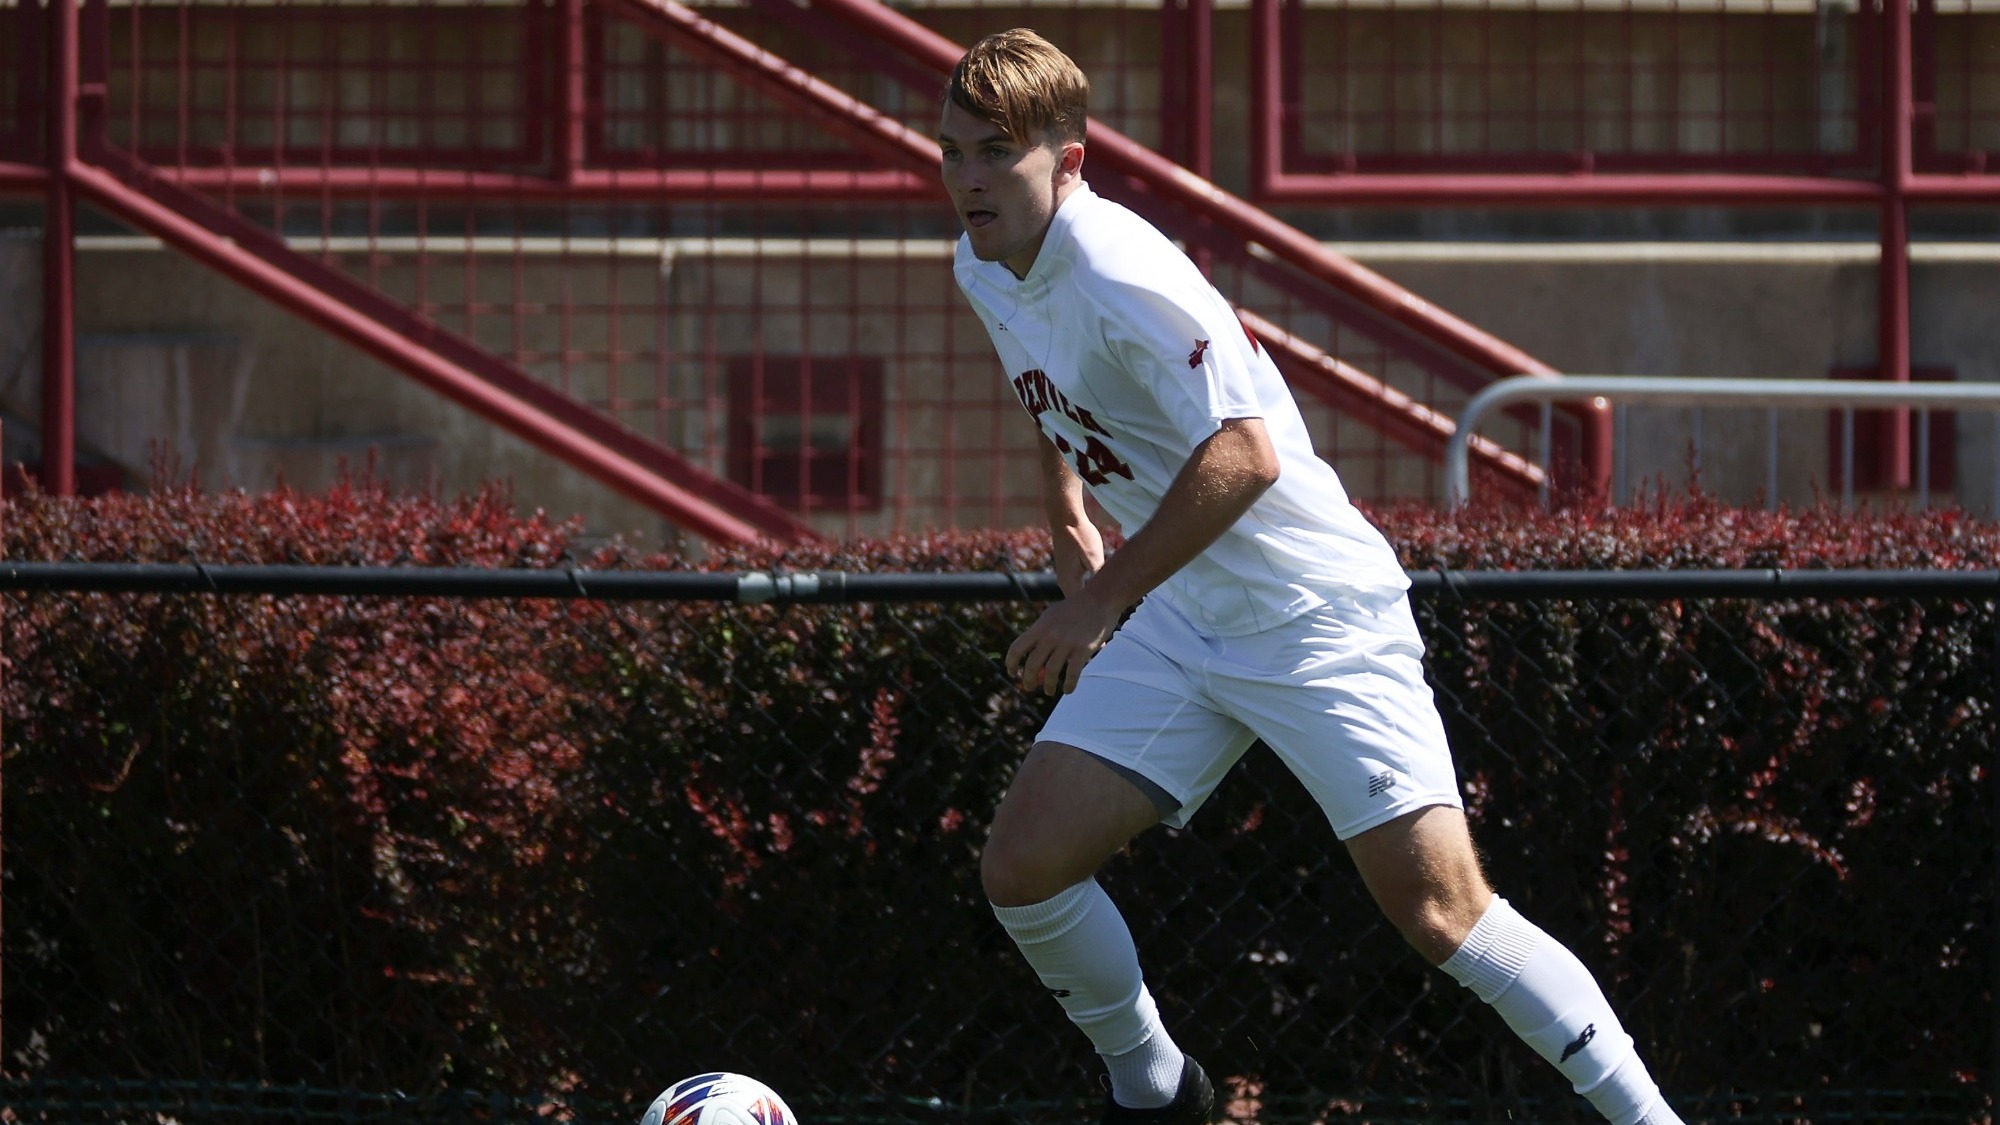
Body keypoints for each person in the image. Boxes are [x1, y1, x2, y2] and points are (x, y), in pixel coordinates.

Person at [939, 27, 1689, 1125]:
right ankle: (1156, 1093)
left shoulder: (1118, 267)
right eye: (952, 151)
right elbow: (1048, 385)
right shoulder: (983, 260)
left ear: (1069, 162)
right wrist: (1063, 511)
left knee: (1445, 915)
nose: (966, 178)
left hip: (1314, 618)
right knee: (1023, 868)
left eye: (994, 154)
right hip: (1186, 615)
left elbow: (1247, 454)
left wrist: (1100, 598)